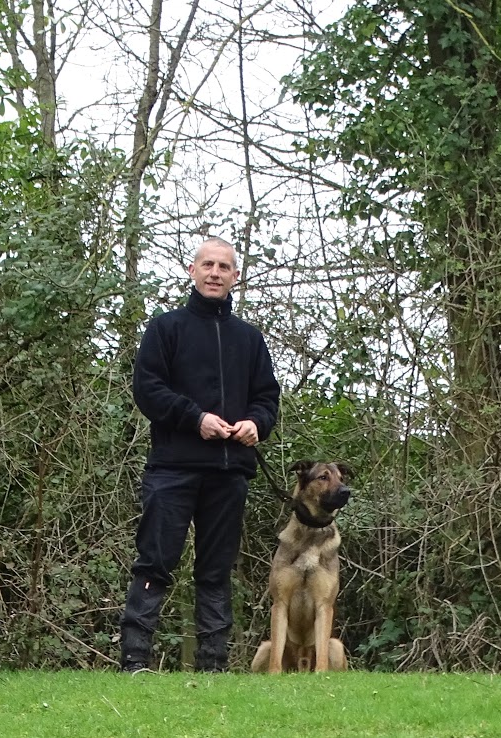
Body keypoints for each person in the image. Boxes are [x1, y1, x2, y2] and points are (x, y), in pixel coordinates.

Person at [118, 237, 281, 673]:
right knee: (154, 562)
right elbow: (148, 389)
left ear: (235, 276)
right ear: (192, 271)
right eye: (207, 264)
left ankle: (213, 665)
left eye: (224, 267)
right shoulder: (165, 329)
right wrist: (196, 419)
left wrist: (255, 424)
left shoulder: (249, 339)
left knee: (216, 570)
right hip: (172, 470)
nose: (215, 273)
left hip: (229, 474)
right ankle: (135, 660)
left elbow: (268, 397)